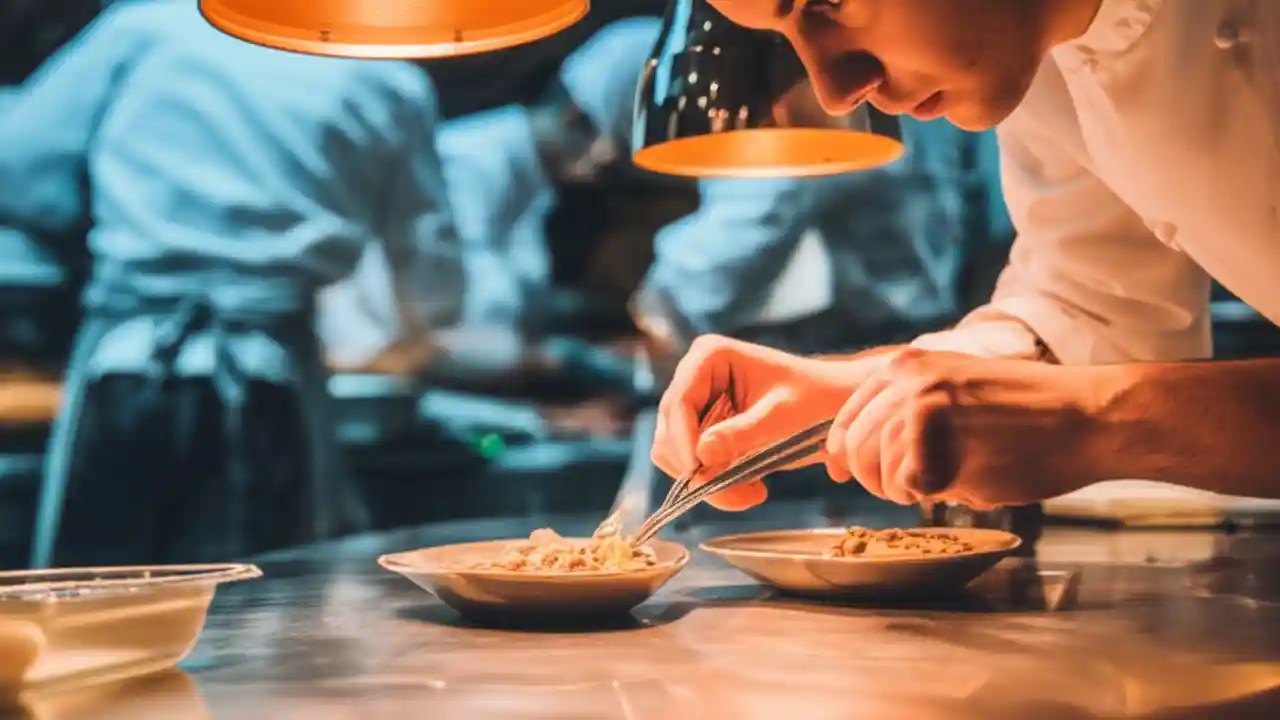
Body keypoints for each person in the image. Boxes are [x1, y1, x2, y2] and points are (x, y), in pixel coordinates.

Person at [650, 0, 1280, 511]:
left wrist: (1092, 423)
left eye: (830, 4)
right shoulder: (1042, 61)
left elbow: (1094, 397)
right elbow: (1100, 316)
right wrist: (854, 394)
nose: (836, 91)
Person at [0, 0, 463, 566]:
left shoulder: (150, 25)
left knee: (90, 600)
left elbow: (17, 166)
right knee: (257, 615)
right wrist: (424, 330)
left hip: (126, 359)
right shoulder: (385, 71)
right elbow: (430, 263)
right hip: (269, 373)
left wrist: (86, 230)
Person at [634, 114, 975, 359]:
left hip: (920, 304)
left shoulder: (778, 115)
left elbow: (742, 238)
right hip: (919, 293)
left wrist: (659, 306)